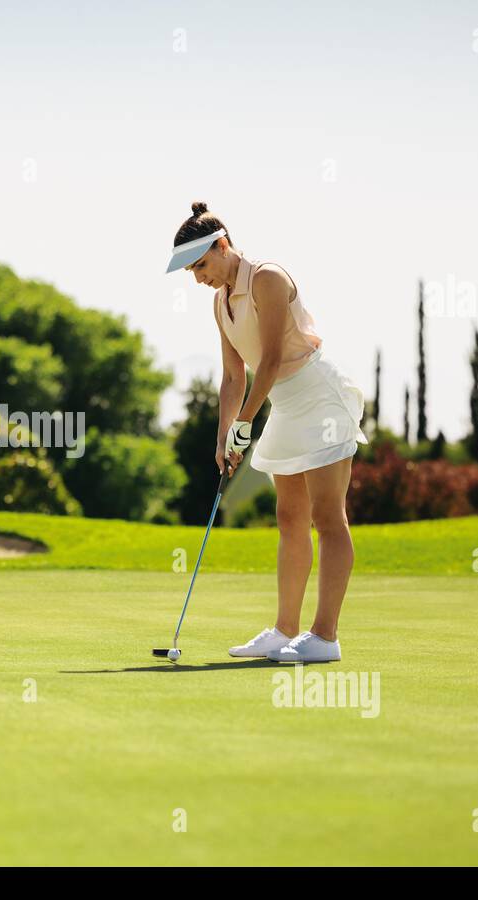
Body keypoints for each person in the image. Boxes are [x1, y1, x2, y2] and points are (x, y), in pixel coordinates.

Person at [166, 202, 366, 662]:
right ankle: (284, 630)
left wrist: (244, 424)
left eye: (201, 265)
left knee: (328, 518)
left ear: (222, 246)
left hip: (319, 396)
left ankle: (325, 637)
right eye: (191, 273)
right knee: (290, 518)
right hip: (284, 404)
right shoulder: (220, 304)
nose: (199, 278)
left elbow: (272, 360)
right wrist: (224, 437)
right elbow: (234, 375)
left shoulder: (267, 278)